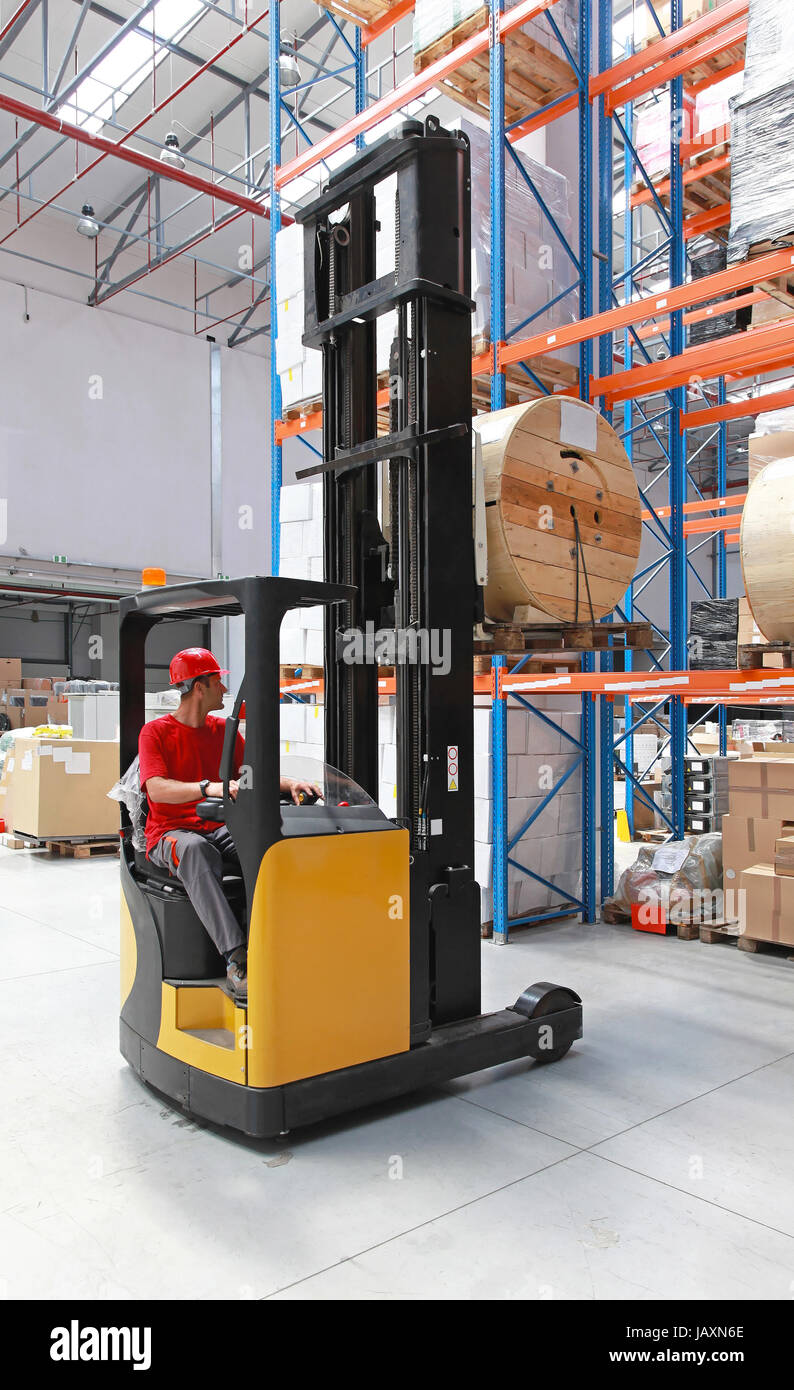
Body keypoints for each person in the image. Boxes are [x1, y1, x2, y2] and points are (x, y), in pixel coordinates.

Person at [138, 647, 320, 1000]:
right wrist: (208, 787)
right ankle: (237, 959)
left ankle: (287, 941)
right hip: (171, 833)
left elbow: (251, 775)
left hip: (218, 826)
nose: (224, 689)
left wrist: (291, 783)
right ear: (199, 686)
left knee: (267, 845)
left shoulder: (223, 729)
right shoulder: (155, 732)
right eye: (218, 681)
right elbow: (157, 791)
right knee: (195, 852)